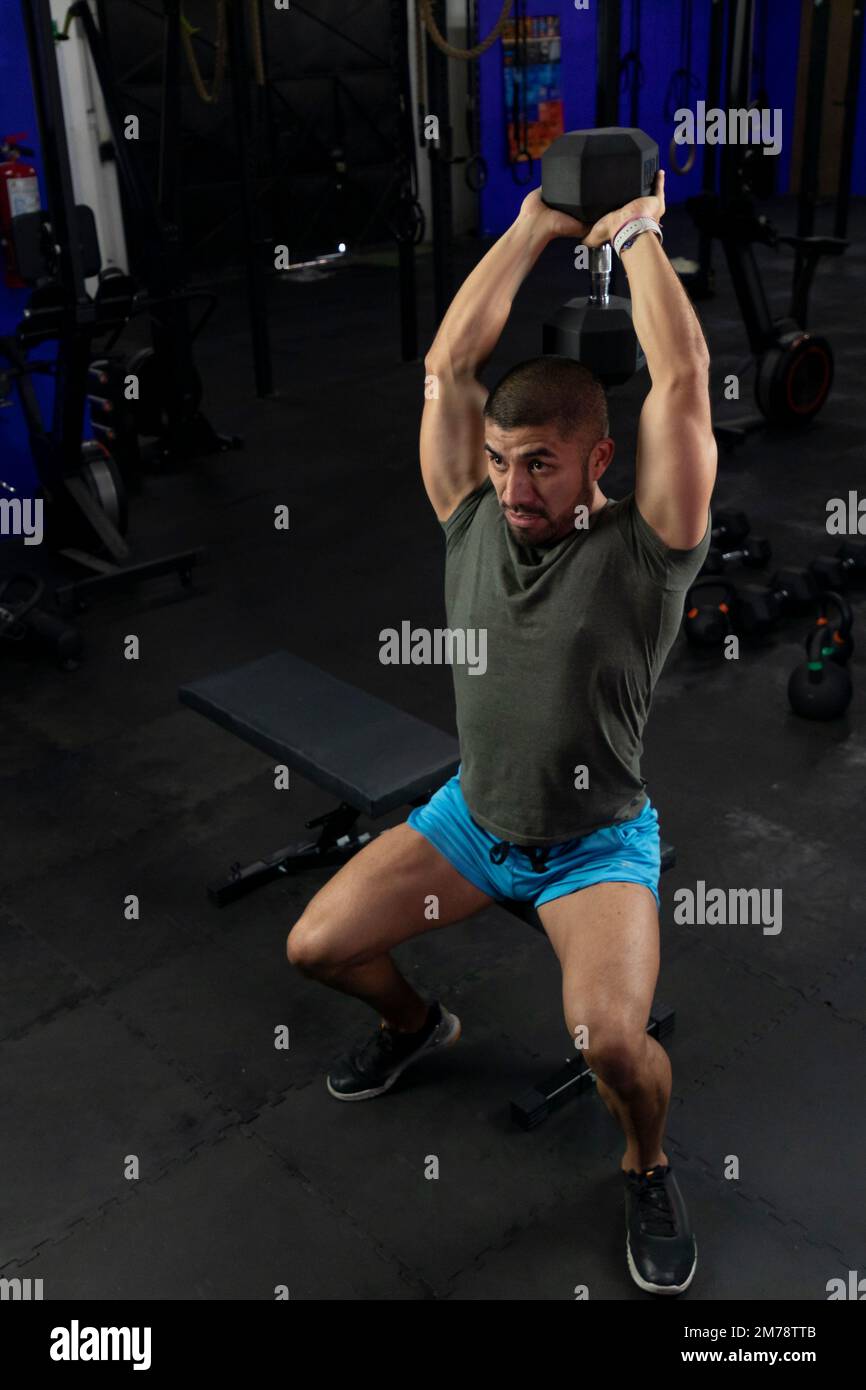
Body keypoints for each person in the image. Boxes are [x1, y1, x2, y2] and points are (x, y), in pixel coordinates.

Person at [287, 168, 716, 1296]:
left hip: (591, 846)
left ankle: (646, 1160)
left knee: (611, 1048)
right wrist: (532, 224)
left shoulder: (644, 546)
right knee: (318, 946)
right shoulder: (468, 512)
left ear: (595, 461)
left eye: (538, 462)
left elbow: (681, 376)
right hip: (472, 825)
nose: (513, 486)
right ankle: (419, 1025)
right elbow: (445, 368)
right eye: (498, 459)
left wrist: (630, 234)